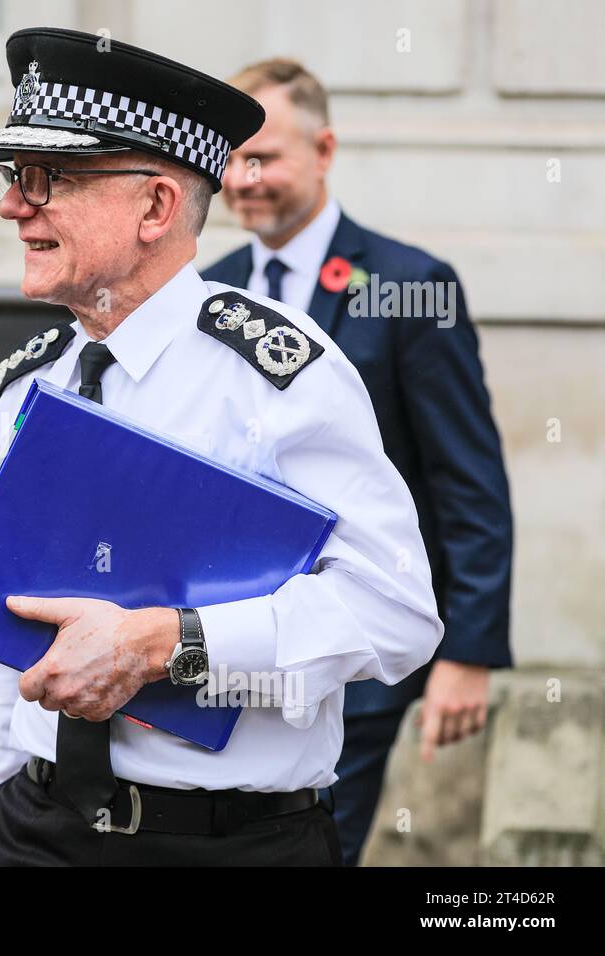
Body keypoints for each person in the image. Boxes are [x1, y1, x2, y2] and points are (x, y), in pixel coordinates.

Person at [0, 27, 443, 867]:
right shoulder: (26, 388)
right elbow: (11, 628)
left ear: (155, 206)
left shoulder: (278, 375)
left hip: (227, 844)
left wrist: (166, 646)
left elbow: (395, 613)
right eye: (14, 177)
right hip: (32, 828)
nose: (12, 205)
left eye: (52, 180)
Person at [202, 59, 513, 866]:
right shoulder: (211, 291)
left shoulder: (409, 286)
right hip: (237, 656)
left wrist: (468, 653)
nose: (242, 179)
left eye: (263, 157)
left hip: (357, 660)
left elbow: (467, 483)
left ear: (325, 149)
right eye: (230, 159)